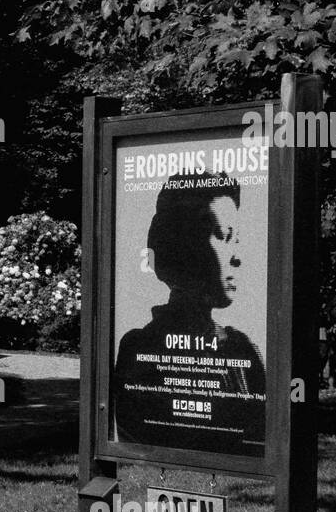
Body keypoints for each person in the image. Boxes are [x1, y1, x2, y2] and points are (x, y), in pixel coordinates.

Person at [112, 173, 266, 455]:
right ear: (184, 246)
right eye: (224, 237)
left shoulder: (243, 349)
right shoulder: (138, 348)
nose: (238, 255)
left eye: (238, 239)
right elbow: (139, 444)